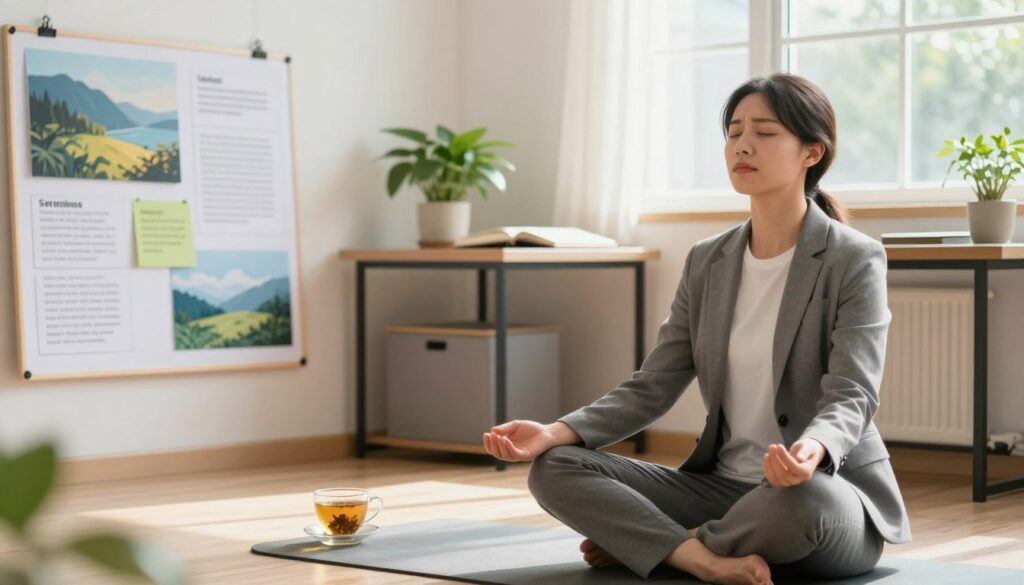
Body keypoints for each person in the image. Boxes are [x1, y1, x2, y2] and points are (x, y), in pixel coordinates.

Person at [481, 73, 911, 585]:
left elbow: (853, 394)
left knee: (805, 501)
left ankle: (653, 543)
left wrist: (812, 450)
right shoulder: (708, 260)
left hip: (824, 493)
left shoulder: (852, 258)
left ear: (811, 152)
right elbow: (652, 385)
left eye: (765, 133)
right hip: (723, 490)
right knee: (555, 467)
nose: (742, 145)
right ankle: (701, 559)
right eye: (733, 132)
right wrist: (554, 432)